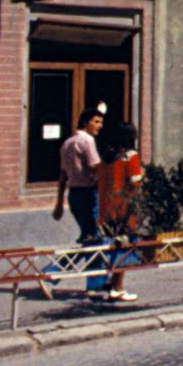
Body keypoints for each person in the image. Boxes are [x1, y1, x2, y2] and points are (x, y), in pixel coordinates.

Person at [92, 122, 142, 303]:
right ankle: (117, 287)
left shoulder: (106, 158)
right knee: (125, 247)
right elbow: (136, 181)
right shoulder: (131, 156)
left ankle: (107, 284)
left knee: (110, 247)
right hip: (124, 210)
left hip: (106, 209)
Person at [53, 107, 105, 244]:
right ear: (85, 122)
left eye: (101, 122)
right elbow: (95, 167)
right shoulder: (87, 140)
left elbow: (63, 175)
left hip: (74, 196)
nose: (100, 126)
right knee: (95, 237)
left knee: (87, 236)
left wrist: (59, 203)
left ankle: (88, 264)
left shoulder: (67, 143)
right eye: (96, 122)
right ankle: (95, 265)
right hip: (88, 194)